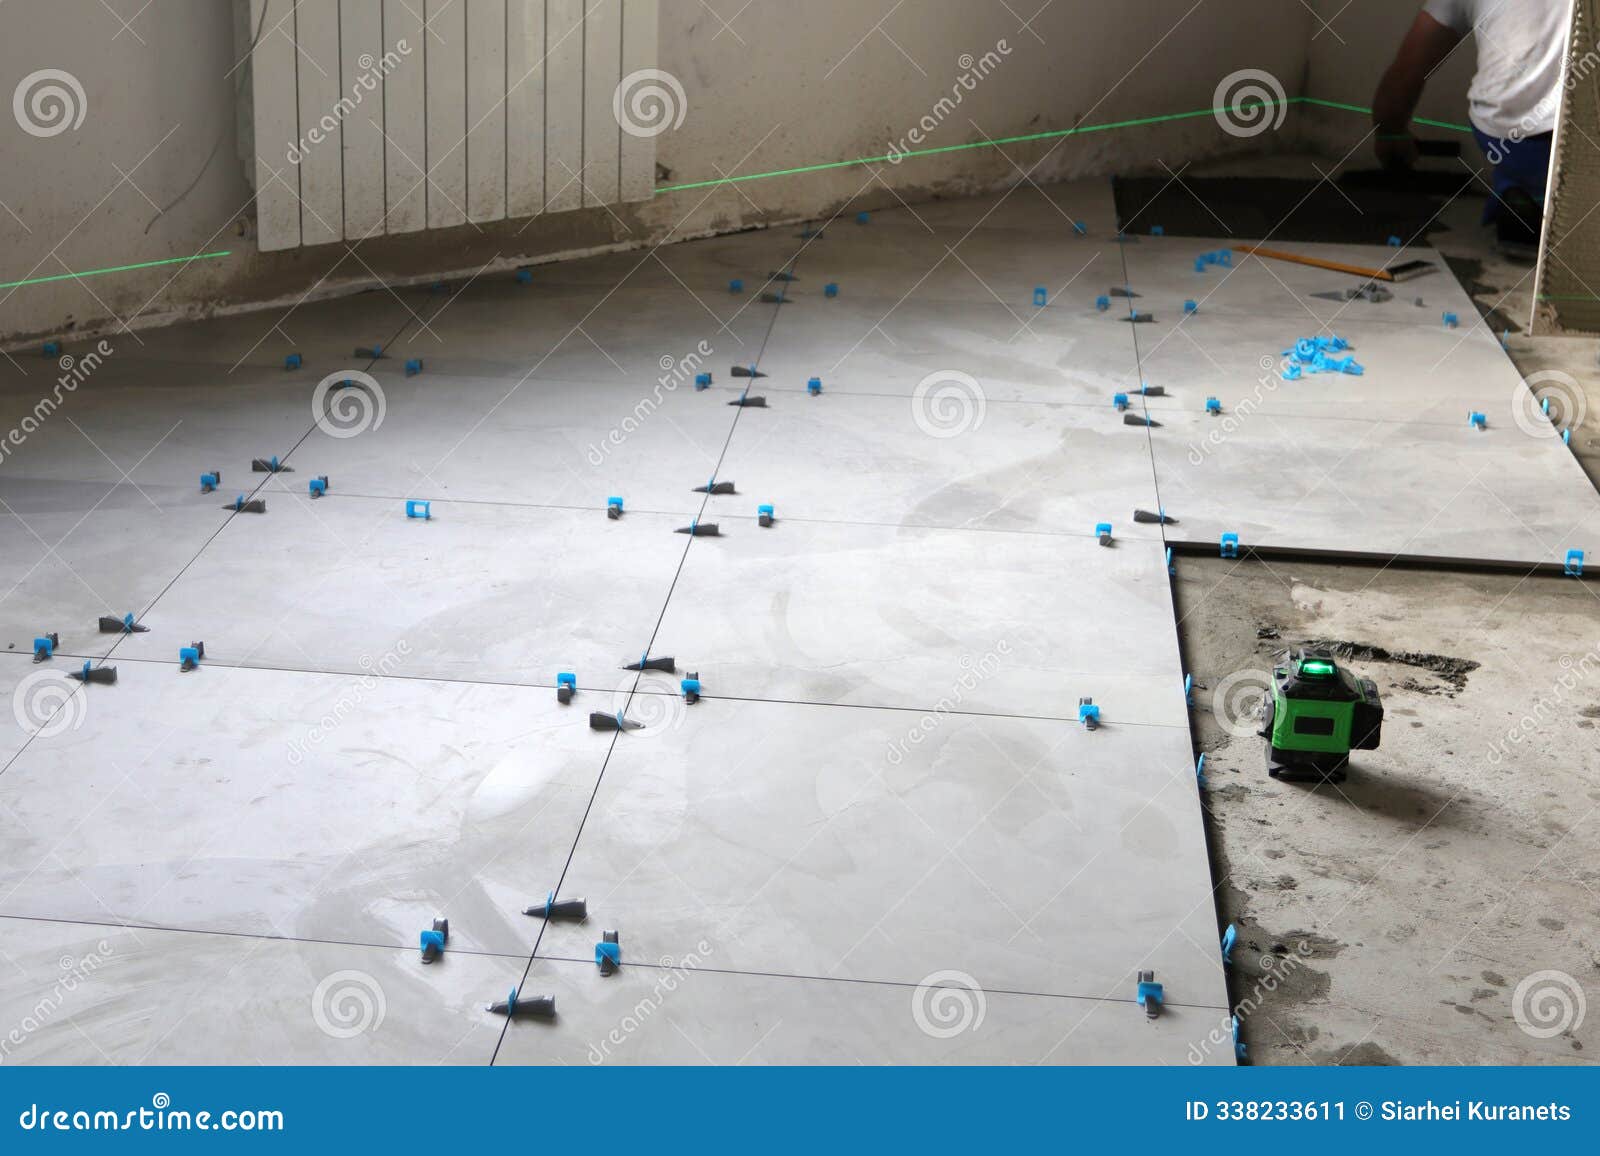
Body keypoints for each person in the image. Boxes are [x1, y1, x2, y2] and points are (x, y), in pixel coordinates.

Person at [1372, 0, 1571, 248]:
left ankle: (1519, 193)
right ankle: (1535, 199)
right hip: (1576, 137)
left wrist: (1390, 133)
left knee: (1526, 170)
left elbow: (1408, 70)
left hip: (1503, 136)